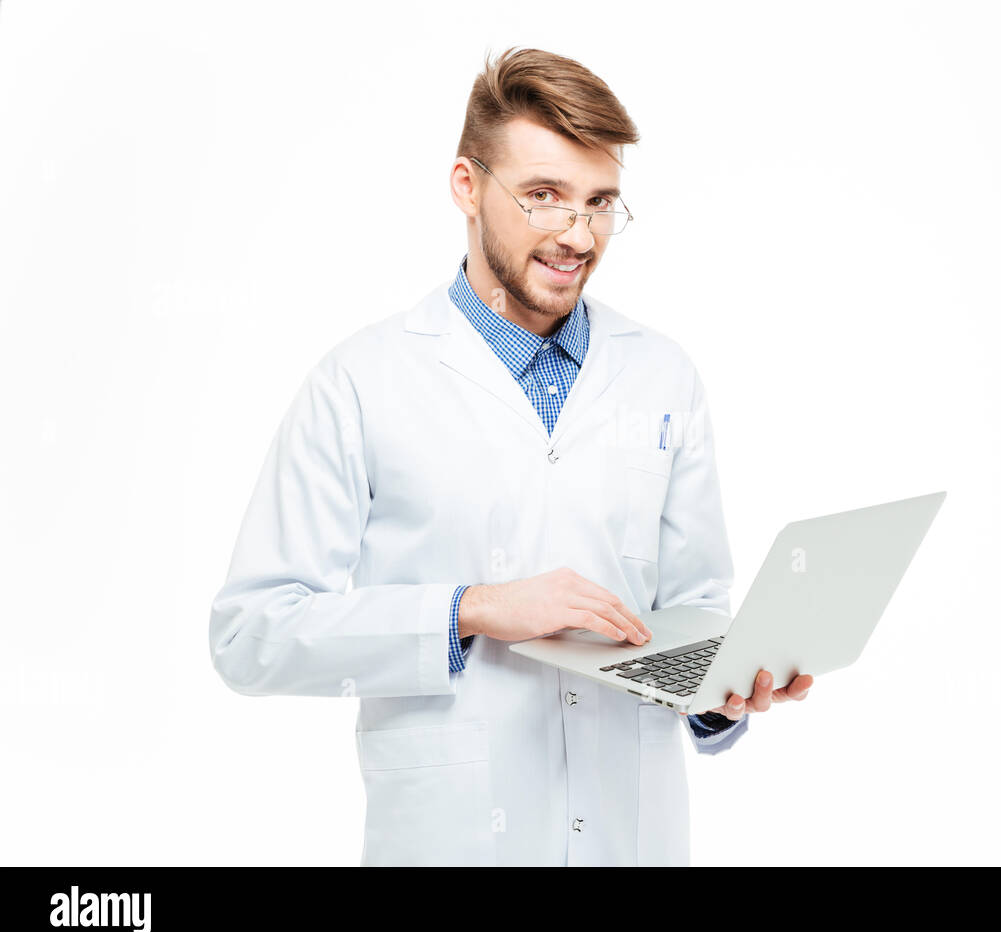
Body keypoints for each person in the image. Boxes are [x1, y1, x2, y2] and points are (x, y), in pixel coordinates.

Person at [209, 46, 812, 866]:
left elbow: (694, 605)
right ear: (467, 185)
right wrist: (471, 609)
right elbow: (252, 633)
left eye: (601, 203)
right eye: (543, 197)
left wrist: (722, 691)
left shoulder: (663, 375)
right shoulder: (362, 383)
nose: (577, 234)